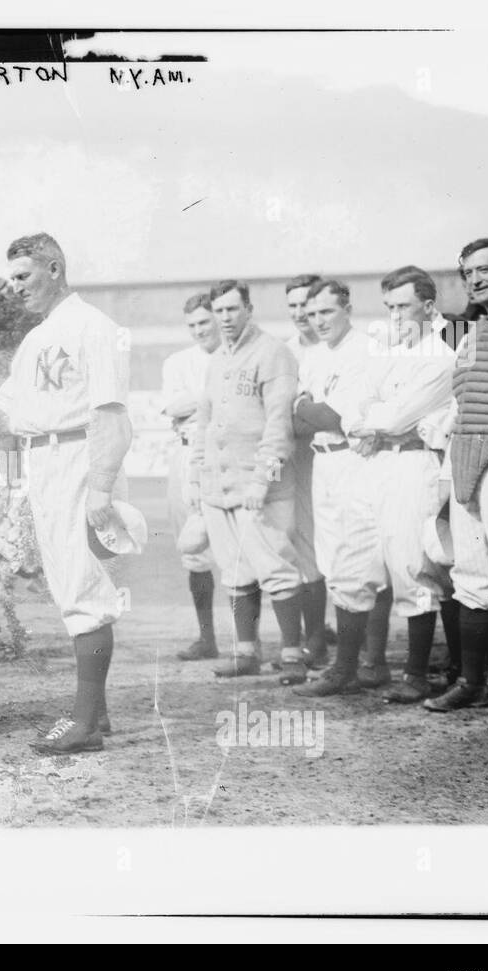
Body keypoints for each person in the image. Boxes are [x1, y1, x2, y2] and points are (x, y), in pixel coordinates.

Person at [0, 233, 133, 755]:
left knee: (85, 589)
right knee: (68, 583)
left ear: (54, 268)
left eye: (23, 277)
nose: (14, 288)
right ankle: (95, 713)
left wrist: (101, 489)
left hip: (83, 460)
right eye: (11, 278)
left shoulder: (95, 328)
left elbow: (112, 417)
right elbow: (10, 415)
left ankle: (83, 725)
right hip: (46, 462)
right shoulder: (36, 338)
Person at [342, 266, 455, 703]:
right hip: (381, 463)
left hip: (415, 465)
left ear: (428, 306)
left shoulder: (441, 352)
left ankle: (417, 673)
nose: (395, 315)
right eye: (389, 307)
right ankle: (365, 665)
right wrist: (381, 421)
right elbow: (356, 406)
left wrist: (382, 421)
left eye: (404, 306)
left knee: (414, 564)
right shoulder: (394, 348)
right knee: (370, 559)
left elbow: (389, 417)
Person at [186, 280, 307, 685]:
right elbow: (204, 424)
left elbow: (279, 424)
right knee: (234, 571)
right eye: (218, 311)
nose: (225, 318)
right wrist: (196, 477)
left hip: (259, 486)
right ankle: (245, 653)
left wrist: (262, 479)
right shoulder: (217, 358)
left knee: (276, 567)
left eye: (232, 310)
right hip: (219, 486)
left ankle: (293, 654)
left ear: (249, 309)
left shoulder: (273, 353)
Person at [426, 238, 488, 712]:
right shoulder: (471, 330)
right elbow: (459, 399)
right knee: (472, 573)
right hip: (466, 455)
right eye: (467, 273)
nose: (475, 279)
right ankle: (474, 681)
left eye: (484, 269)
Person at [291, 279, 384, 697]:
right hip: (323, 462)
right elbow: (297, 419)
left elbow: (330, 415)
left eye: (326, 312)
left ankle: (350, 667)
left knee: (356, 560)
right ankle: (354, 663)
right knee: (330, 560)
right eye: (311, 314)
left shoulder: (365, 348)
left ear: (347, 308)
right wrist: (306, 411)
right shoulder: (311, 354)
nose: (318, 321)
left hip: (354, 458)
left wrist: (304, 409)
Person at [162, 292, 221, 660]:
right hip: (186, 453)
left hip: (225, 452)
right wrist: (214, 396)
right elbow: (172, 406)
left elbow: (188, 405)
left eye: (205, 322)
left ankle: (249, 644)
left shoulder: (237, 356)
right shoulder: (179, 361)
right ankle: (207, 638)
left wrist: (195, 402)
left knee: (240, 549)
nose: (200, 330)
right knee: (192, 550)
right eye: (193, 325)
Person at [281, 273, 332, 666]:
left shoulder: (336, 349)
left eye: (307, 305)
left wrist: (305, 411)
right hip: (298, 456)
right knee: (301, 543)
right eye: (293, 306)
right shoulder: (284, 353)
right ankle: (313, 637)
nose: (300, 314)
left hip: (337, 455)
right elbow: (282, 414)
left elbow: (337, 415)